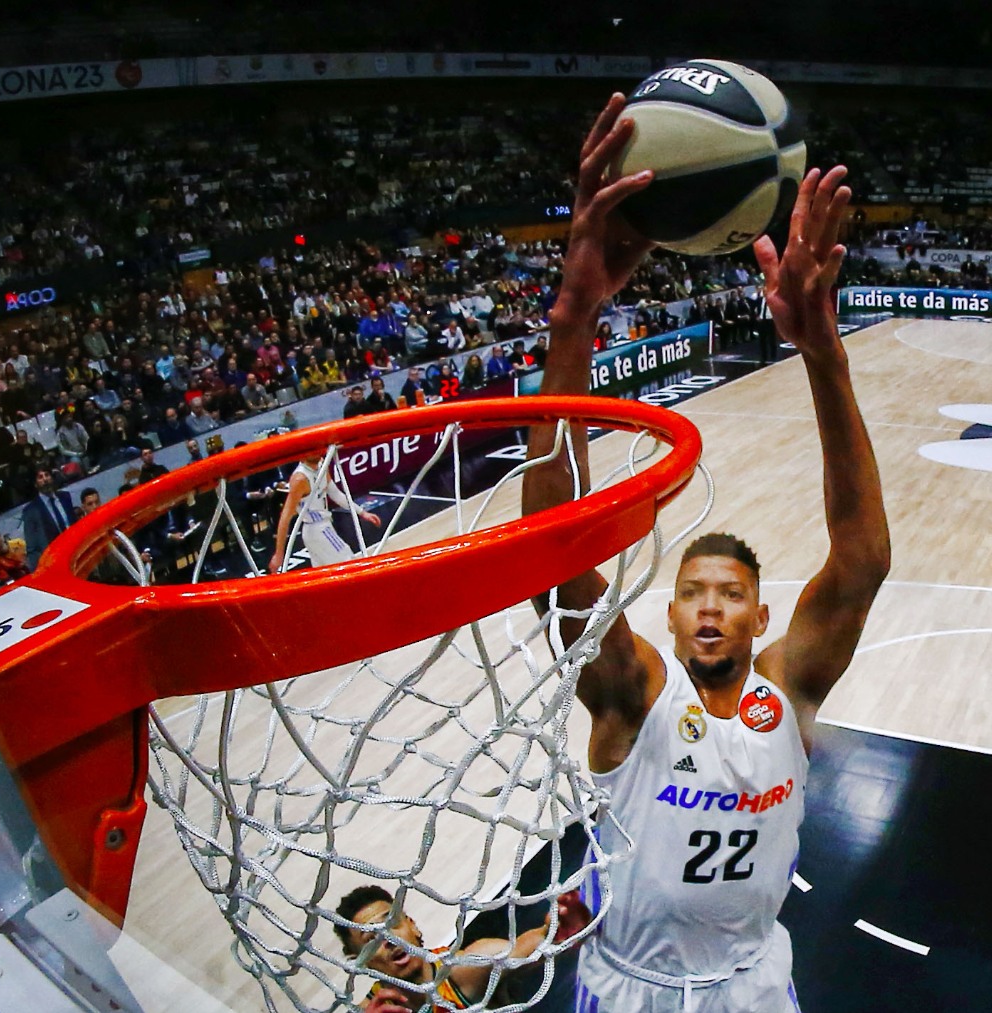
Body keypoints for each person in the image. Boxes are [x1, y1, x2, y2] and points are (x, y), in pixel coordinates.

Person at [522, 96, 890, 1012]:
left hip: (753, 986)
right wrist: (573, 319)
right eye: (695, 593)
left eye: (733, 594)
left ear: (762, 617)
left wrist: (824, 354)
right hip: (633, 989)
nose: (714, 606)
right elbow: (551, 555)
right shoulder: (631, 695)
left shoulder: (787, 694)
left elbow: (861, 563)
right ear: (673, 613)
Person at [333, 885, 590, 1012]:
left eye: (392, 924)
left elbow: (524, 948)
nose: (388, 940)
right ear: (360, 963)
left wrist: (559, 933)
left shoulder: (461, 971)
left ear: (413, 926)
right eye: (371, 939)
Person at [270, 454, 380, 572]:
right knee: (350, 566)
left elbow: (335, 493)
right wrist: (279, 554)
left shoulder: (322, 464)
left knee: (325, 576)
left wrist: (362, 512)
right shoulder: (300, 479)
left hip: (323, 526)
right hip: (316, 529)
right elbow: (285, 517)